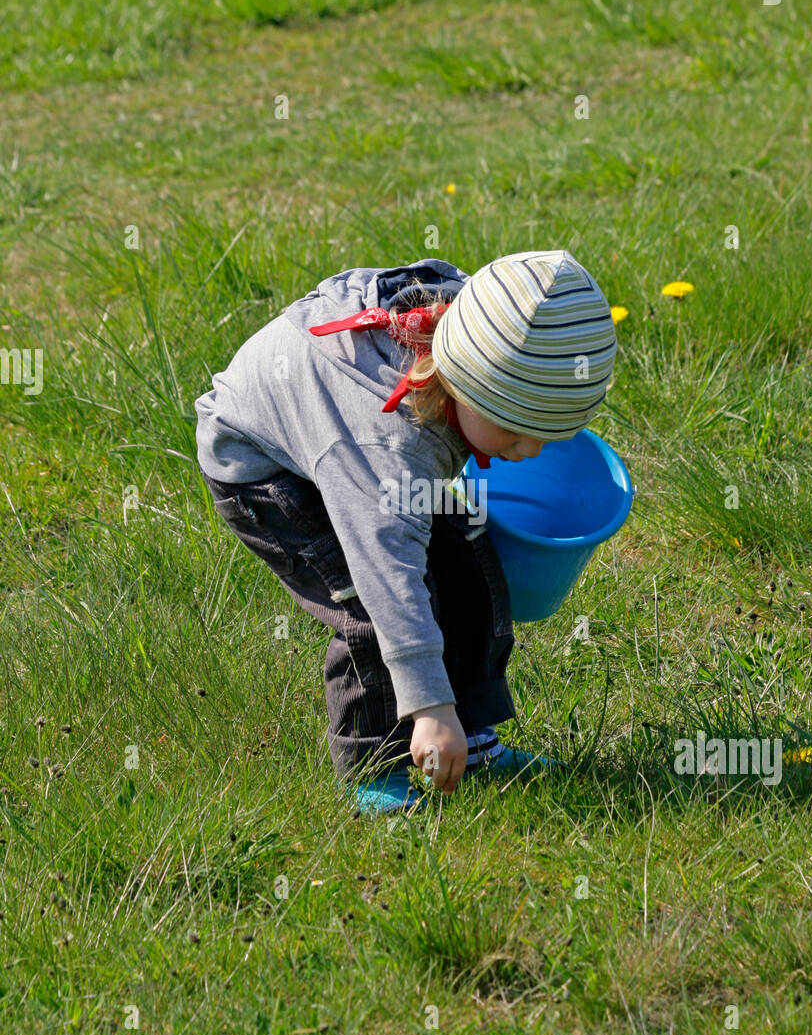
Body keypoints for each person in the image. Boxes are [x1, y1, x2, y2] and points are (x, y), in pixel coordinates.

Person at [194, 249, 617, 815]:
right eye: (517, 432)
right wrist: (428, 703)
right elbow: (386, 571)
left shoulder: (481, 328)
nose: (530, 452)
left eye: (547, 436)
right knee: (370, 604)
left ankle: (473, 740)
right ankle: (373, 766)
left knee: (465, 556)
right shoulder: (390, 444)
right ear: (466, 388)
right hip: (265, 470)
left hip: (348, 441)